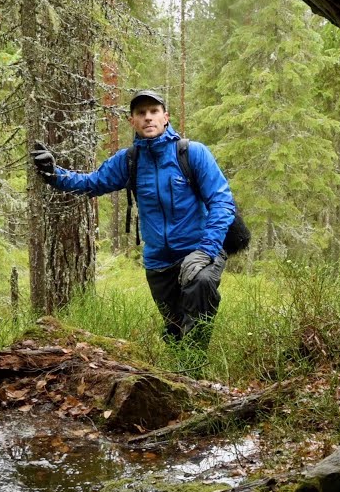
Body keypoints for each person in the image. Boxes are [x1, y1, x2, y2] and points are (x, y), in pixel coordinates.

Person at [29, 89, 236, 349]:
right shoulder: (129, 161)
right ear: (133, 121)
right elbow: (92, 182)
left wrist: (205, 251)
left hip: (199, 250)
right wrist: (54, 175)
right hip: (159, 261)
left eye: (154, 112)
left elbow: (222, 202)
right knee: (174, 329)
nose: (148, 118)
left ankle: (194, 370)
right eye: (141, 113)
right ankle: (176, 372)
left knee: (200, 288)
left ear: (165, 117)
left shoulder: (192, 153)